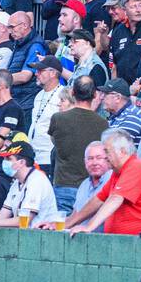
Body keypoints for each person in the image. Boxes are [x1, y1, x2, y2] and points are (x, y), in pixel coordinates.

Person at [66, 129, 141, 235]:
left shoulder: (136, 166)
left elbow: (115, 199)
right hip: (121, 242)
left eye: (107, 151)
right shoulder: (117, 172)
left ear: (122, 151)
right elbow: (98, 200)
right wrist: (67, 224)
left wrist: (89, 227)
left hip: (139, 242)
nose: (105, 156)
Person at [47, 76, 108, 213]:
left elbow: (54, 141)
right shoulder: (103, 123)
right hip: (91, 187)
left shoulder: (58, 118)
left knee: (62, 228)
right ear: (94, 95)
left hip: (64, 185)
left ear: (73, 93)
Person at [0, 139, 59, 229]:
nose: (4, 162)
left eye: (8, 159)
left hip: (43, 236)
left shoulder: (36, 181)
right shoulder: (17, 182)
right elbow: (3, 214)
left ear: (21, 162)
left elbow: (24, 220)